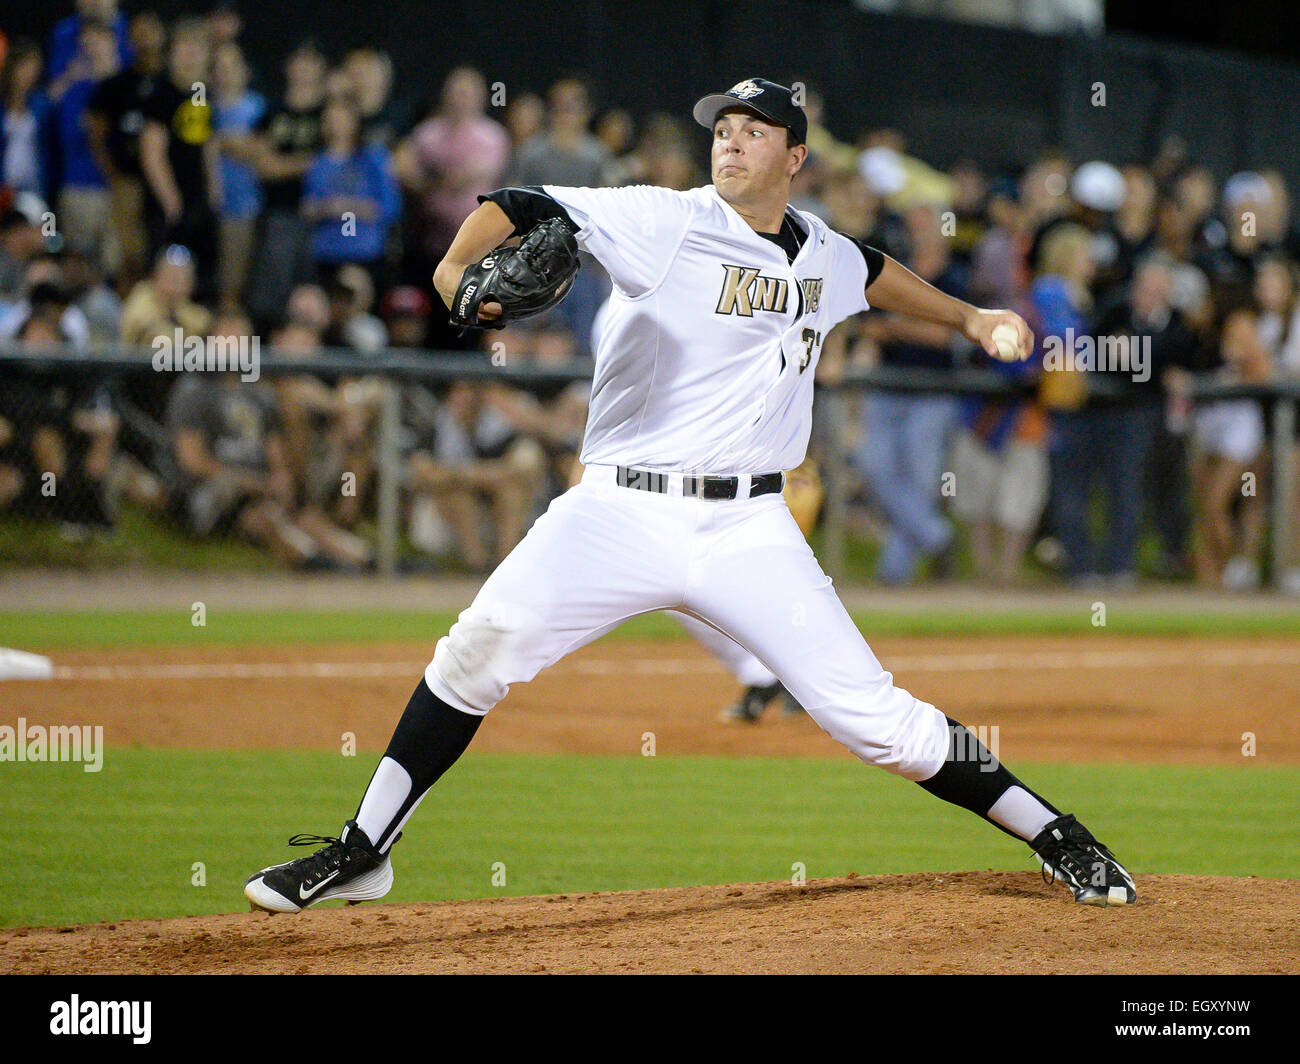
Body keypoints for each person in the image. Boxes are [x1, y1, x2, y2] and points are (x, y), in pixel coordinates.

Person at [244, 78, 1135, 914]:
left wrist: (973, 317)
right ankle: (365, 849)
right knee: (477, 649)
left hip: (749, 524)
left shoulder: (820, 250)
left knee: (882, 725)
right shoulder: (662, 220)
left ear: (794, 159)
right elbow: (517, 205)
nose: (732, 145)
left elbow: (872, 272)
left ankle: (1058, 833)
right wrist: (450, 274)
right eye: (722, 131)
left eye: (755, 133)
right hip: (618, 511)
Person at [85, 9, 166, 295]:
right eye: (138, 32)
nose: (145, 39)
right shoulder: (115, 84)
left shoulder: (174, 84)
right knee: (129, 256)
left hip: (168, 187)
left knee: (163, 254)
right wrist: (112, 172)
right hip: (128, 181)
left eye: (150, 32)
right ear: (129, 38)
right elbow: (95, 131)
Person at [138, 17, 219, 298]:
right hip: (169, 206)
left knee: (201, 279)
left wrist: (213, 189)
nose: (191, 54)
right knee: (165, 273)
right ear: (171, 53)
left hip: (198, 202)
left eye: (197, 48)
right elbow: (152, 153)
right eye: (184, 47)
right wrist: (171, 202)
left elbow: (206, 143)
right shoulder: (162, 93)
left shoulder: (202, 93)